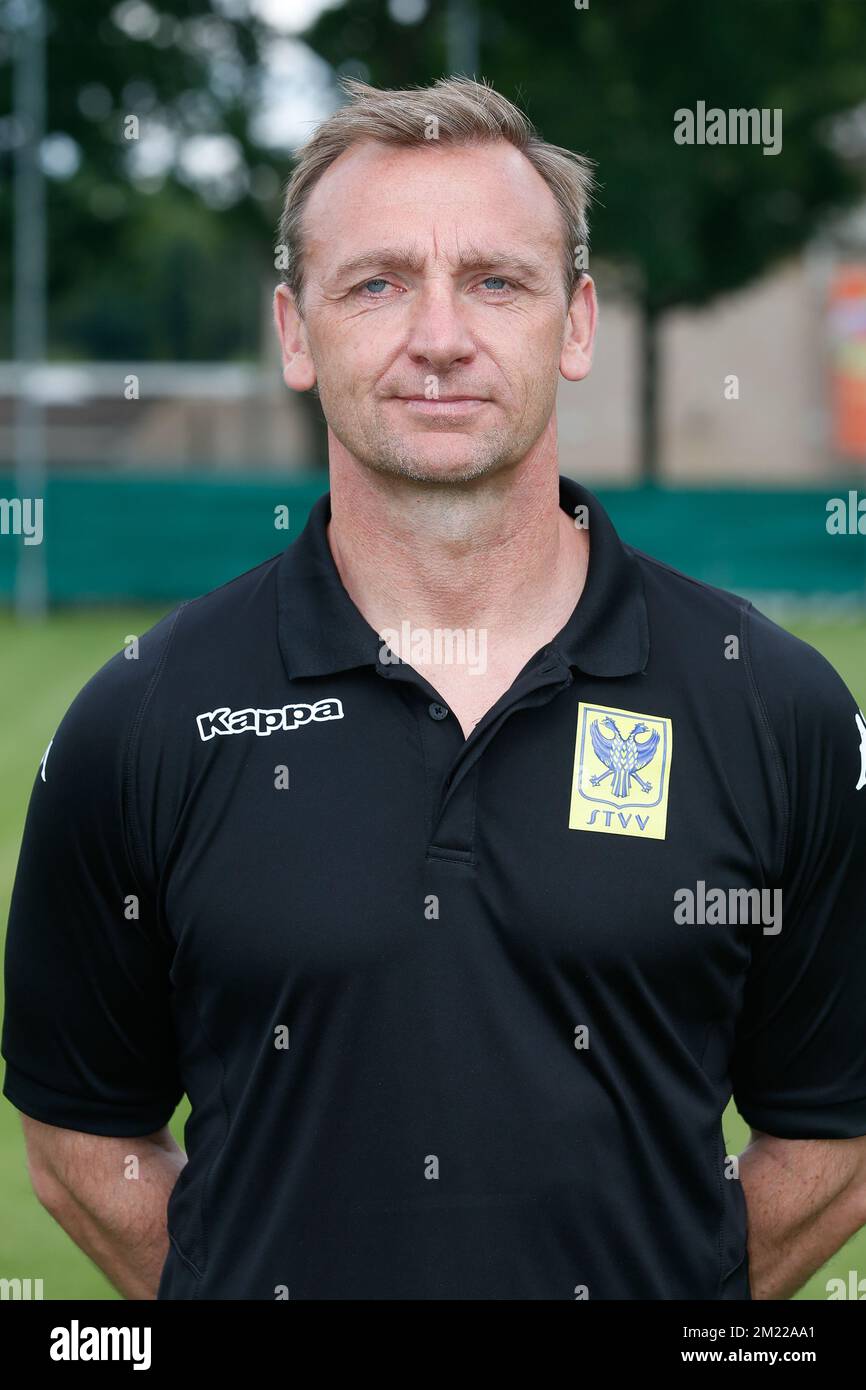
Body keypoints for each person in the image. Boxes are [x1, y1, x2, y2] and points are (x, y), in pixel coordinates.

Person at [4, 76, 866, 1301]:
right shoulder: (141, 716)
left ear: (574, 324)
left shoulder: (777, 709)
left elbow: (832, 1134)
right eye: (376, 282)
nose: (440, 336)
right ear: (295, 332)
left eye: (495, 281)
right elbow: (80, 1141)